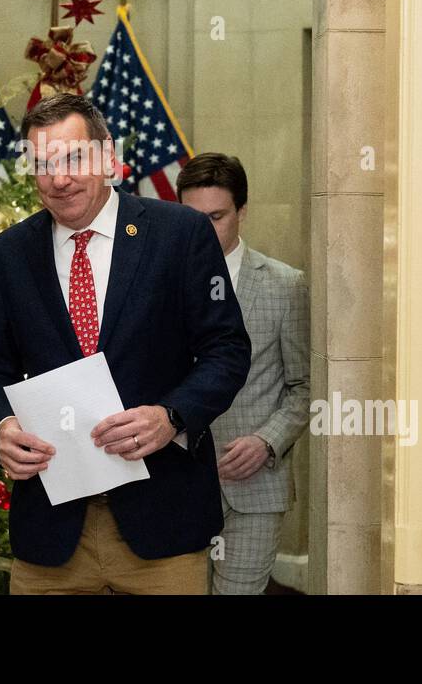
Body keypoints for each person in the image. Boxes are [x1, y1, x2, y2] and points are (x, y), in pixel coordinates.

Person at [0, 94, 251, 594]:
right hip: (51, 531)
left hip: (162, 524)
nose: (60, 178)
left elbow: (226, 348)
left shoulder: (179, 234)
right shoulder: (5, 258)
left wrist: (172, 416)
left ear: (106, 158)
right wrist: (2, 427)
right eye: (45, 164)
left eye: (74, 158)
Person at [176, 152, 310, 594]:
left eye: (216, 217)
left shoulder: (285, 285)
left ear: (242, 213)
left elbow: (304, 386)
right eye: (192, 217)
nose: (203, 229)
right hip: (174, 483)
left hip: (253, 487)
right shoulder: (157, 284)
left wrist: (267, 441)